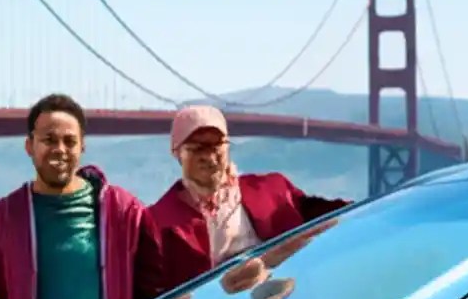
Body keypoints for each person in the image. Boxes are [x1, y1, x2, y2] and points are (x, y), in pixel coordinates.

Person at [0, 93, 164, 299]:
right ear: (29, 146)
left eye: (70, 141)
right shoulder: (1, 219)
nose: (60, 150)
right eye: (49, 140)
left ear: (83, 147)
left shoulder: (126, 213)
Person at [147, 104, 351, 289]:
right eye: (197, 148)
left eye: (216, 145)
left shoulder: (273, 189)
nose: (209, 157)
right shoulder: (157, 223)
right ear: (177, 152)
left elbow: (330, 216)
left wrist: (377, 213)